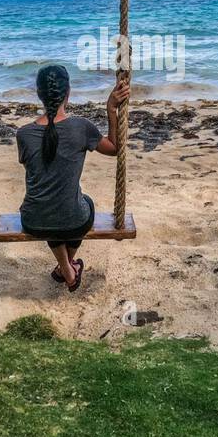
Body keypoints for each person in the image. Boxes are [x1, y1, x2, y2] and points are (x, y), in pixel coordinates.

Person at [16, 64, 129, 292]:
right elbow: (114, 148)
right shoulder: (81, 128)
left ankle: (66, 268)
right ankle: (69, 266)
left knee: (51, 207)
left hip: (33, 220)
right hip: (72, 220)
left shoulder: (24, 134)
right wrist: (110, 109)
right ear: (68, 92)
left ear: (38, 94)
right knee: (83, 204)